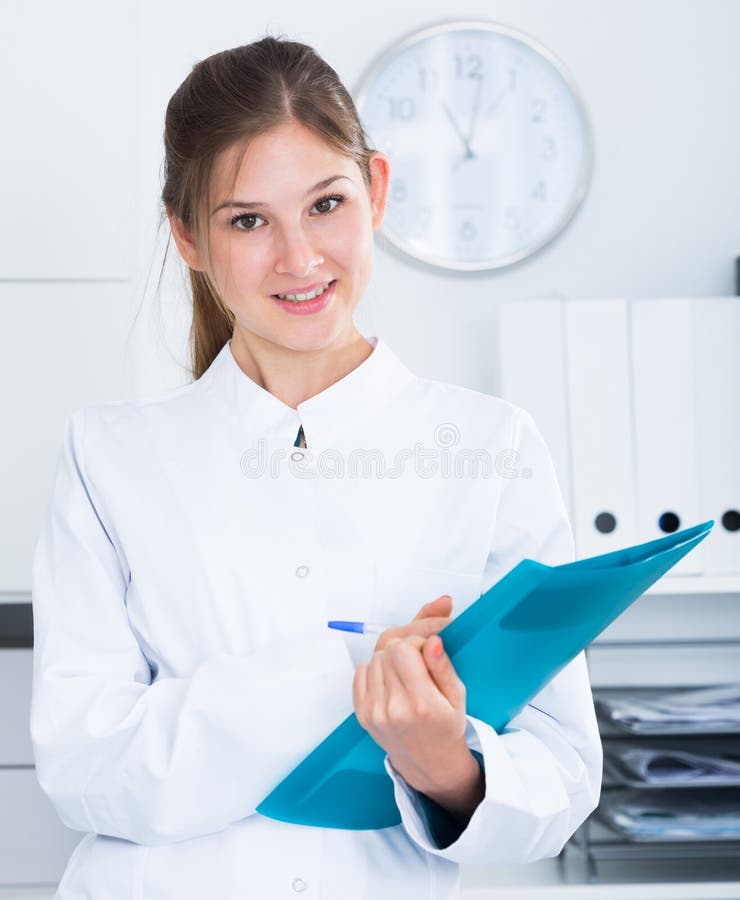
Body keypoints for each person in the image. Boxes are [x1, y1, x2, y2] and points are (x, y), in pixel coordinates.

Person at [30, 35, 602, 900]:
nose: (300, 260)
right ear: (189, 237)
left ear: (374, 189)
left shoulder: (490, 447)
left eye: (326, 204)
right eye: (249, 220)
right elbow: (84, 767)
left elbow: (560, 774)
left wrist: (443, 763)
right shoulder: (109, 458)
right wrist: (343, 678)